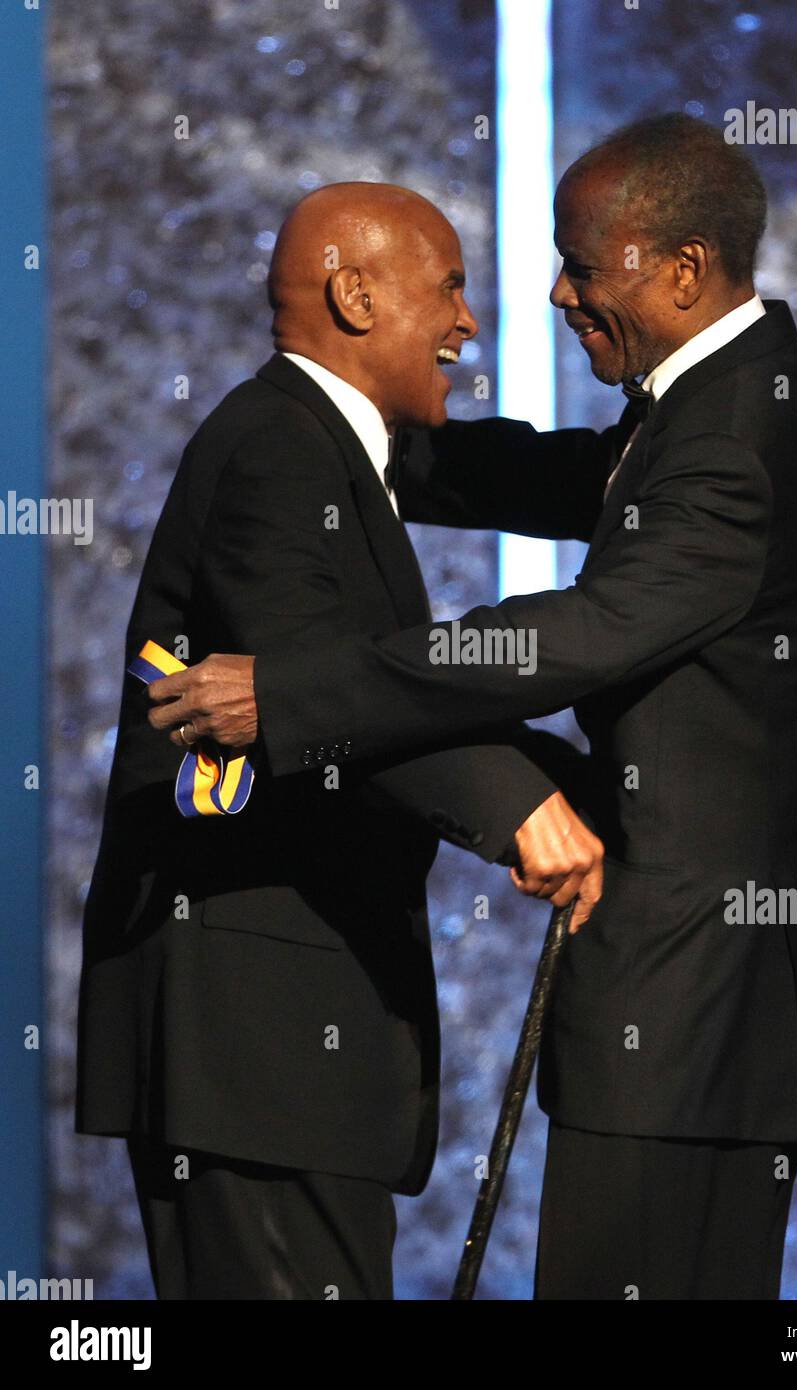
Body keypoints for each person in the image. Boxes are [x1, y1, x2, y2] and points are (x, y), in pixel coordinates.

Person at [147, 114, 797, 1300]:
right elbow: (553, 474)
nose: (551, 294)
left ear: (682, 270)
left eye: (584, 266)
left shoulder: (737, 431)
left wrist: (295, 691)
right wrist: (366, 410)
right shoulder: (716, 400)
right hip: (695, 1005)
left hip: (702, 1006)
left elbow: (579, 634)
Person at [75, 181, 604, 1301]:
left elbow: (370, 690)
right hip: (253, 1043)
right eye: (451, 287)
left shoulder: (331, 446)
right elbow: (328, 692)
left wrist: (600, 793)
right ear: (355, 294)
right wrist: (520, 804)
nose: (469, 322)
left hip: (284, 1054)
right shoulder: (276, 449)